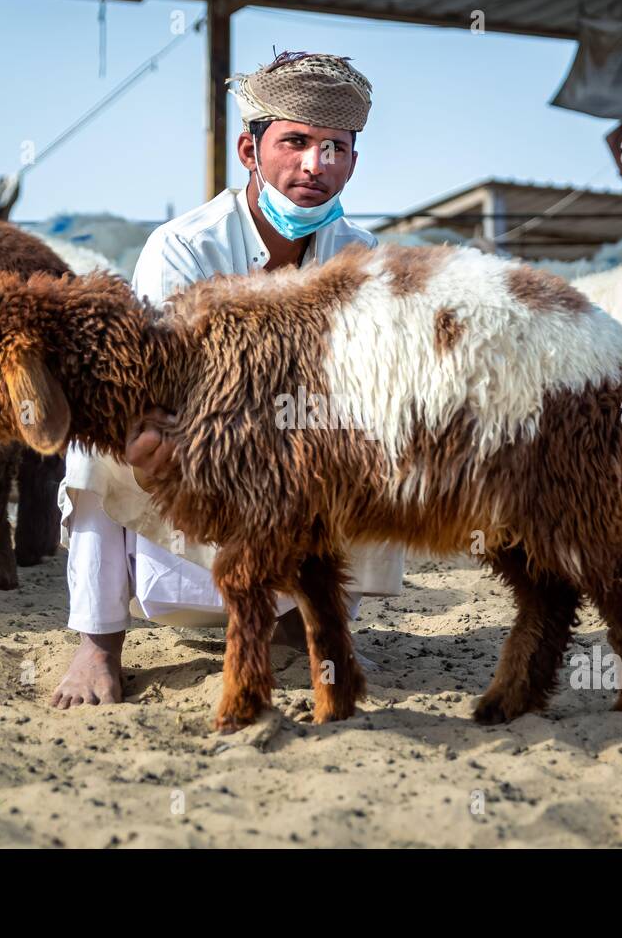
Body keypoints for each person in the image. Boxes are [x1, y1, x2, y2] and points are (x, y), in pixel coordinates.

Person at [51, 51, 405, 708]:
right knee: (94, 442)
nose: (315, 165)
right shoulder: (183, 247)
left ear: (354, 160)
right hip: (201, 467)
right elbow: (163, 383)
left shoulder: (364, 256)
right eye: (295, 142)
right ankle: (98, 642)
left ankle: (306, 621)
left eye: (336, 147)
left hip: (306, 464)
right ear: (250, 148)